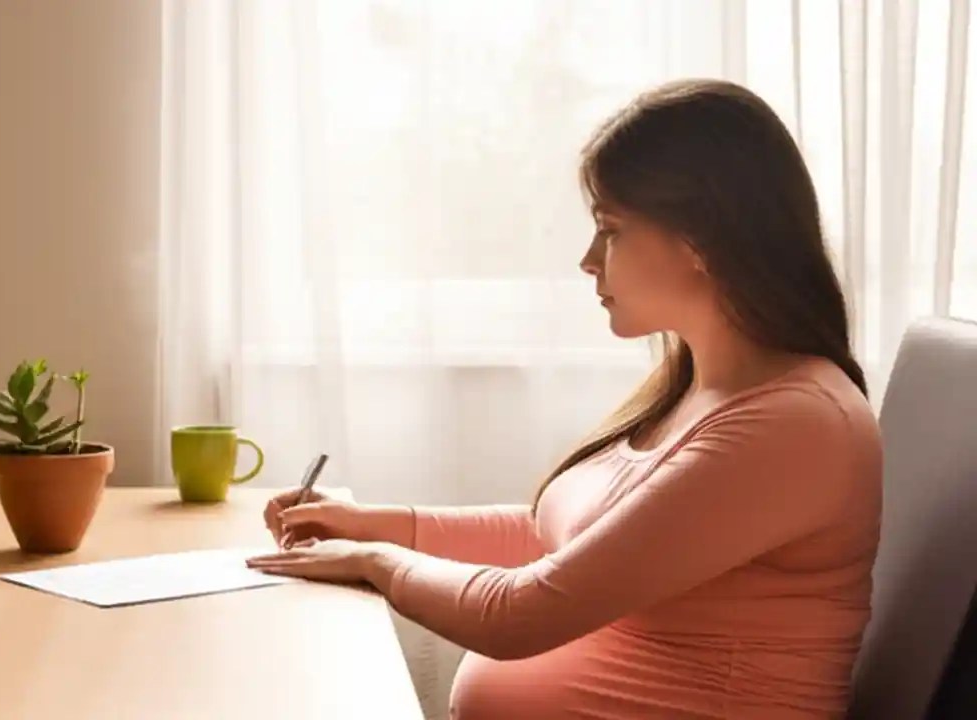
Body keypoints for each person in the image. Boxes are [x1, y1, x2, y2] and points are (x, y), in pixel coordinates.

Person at [247, 78, 882, 719]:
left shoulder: (793, 425)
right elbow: (567, 540)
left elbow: (519, 616)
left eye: (610, 228)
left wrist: (374, 561)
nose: (588, 259)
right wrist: (376, 522)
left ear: (700, 241)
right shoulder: (704, 387)